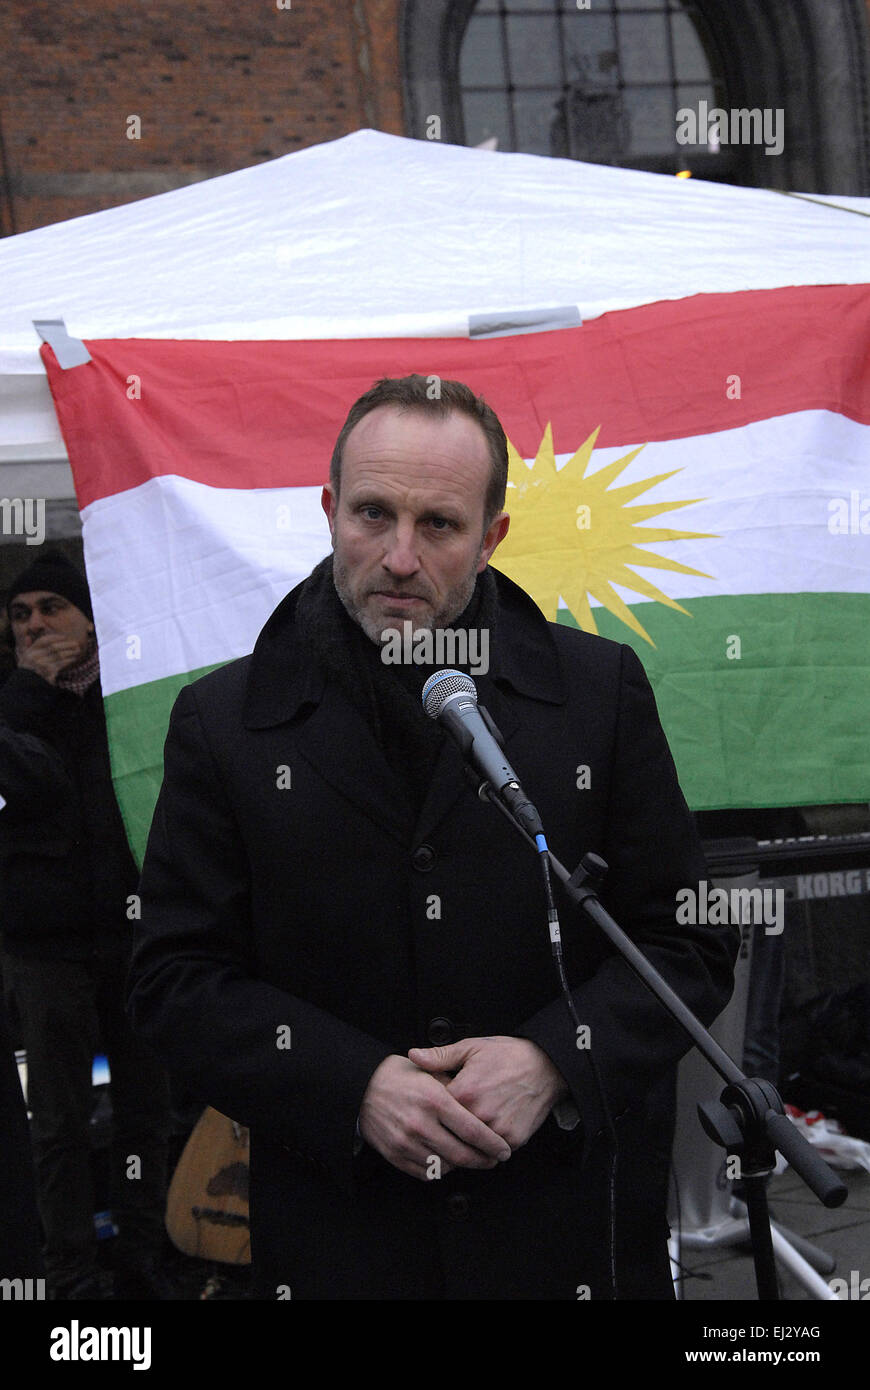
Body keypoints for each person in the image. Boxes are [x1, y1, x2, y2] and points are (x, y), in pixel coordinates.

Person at [127, 376, 737, 1300]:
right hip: (346, 1244)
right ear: (329, 511)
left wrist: (553, 1059)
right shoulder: (222, 721)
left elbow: (687, 938)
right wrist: (353, 1086)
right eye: (372, 513)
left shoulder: (597, 693)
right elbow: (175, 979)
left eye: (439, 526)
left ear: (491, 538)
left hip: (567, 1239)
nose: (399, 557)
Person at [0, 552, 171, 1299]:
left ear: (91, 616)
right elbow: (24, 780)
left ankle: (142, 1261)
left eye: (52, 608)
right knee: (58, 1125)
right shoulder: (9, 702)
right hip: (44, 950)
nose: (35, 624)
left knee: (146, 1112)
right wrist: (30, 690)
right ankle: (68, 1274)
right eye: (20, 613)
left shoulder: (135, 694)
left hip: (137, 941)